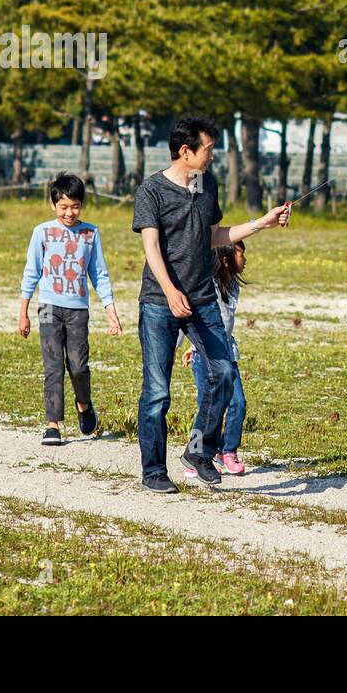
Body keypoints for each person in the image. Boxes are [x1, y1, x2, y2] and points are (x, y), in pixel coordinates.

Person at [132, 116, 291, 494]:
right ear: (186, 152)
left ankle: (199, 452)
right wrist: (170, 291)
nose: (212, 156)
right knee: (158, 392)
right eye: (208, 149)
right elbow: (151, 246)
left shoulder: (208, 185)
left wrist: (261, 224)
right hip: (160, 301)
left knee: (224, 373)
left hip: (202, 298)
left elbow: (215, 235)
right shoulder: (151, 190)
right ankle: (153, 471)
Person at [18, 173, 122, 445]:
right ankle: (53, 424)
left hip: (78, 311)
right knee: (53, 367)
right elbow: (31, 273)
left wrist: (110, 310)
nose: (69, 212)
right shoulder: (41, 232)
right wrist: (23, 312)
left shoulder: (90, 233)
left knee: (78, 366)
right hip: (49, 308)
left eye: (75, 206)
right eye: (63, 207)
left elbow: (99, 274)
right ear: (53, 205)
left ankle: (84, 404)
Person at [180, 240, 250, 477]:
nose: (245, 259)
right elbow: (191, 318)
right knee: (206, 407)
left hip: (227, 353)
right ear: (225, 259)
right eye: (241, 255)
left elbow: (226, 324)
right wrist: (188, 345)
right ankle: (197, 453)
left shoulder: (233, 286)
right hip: (204, 354)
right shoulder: (207, 287)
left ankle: (227, 451)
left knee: (238, 403)